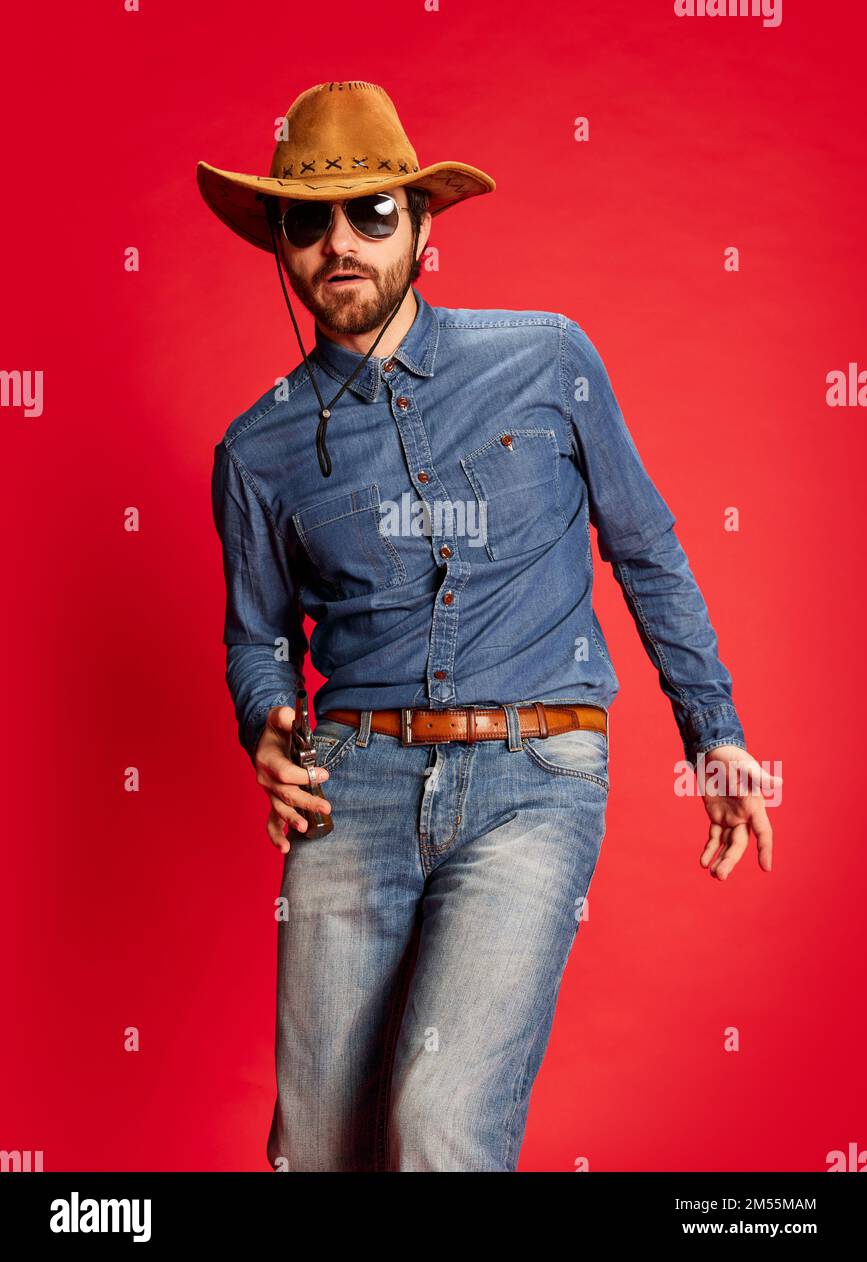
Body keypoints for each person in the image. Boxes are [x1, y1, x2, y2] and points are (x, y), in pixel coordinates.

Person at [200, 80, 776, 1173]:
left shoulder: (547, 360)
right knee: (316, 1147)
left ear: (421, 224)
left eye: (371, 211)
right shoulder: (256, 452)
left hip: (535, 778)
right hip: (351, 789)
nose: (340, 243)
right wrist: (267, 719)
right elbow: (255, 634)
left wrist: (719, 735)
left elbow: (644, 546)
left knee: (441, 1124)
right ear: (279, 243)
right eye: (306, 219)